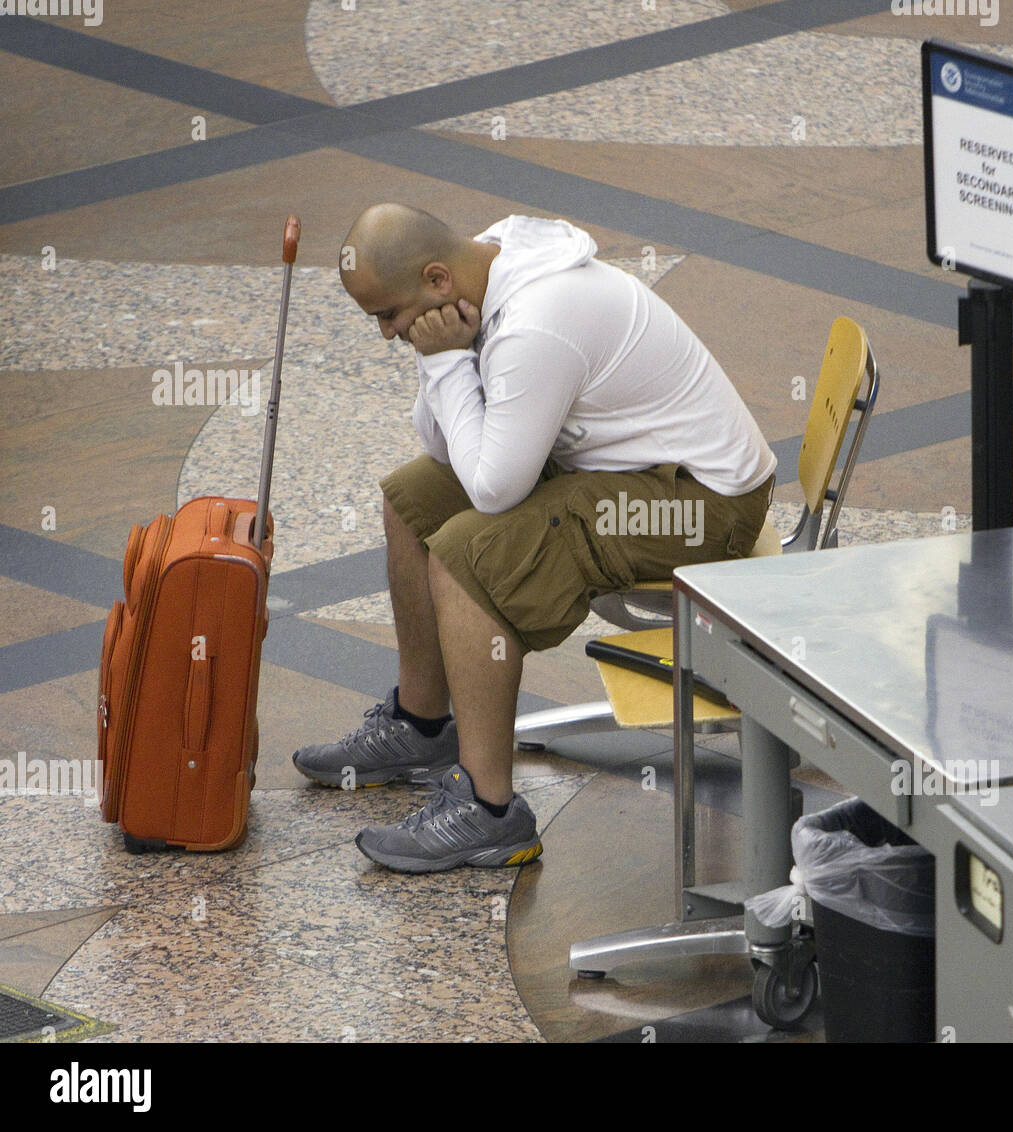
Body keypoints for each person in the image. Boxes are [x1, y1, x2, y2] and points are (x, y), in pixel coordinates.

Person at [293, 203, 776, 873]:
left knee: (471, 557)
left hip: (699, 507)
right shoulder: (482, 267)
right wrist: (442, 361)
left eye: (387, 315)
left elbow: (493, 491)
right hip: (627, 469)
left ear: (437, 280)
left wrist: (442, 363)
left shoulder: (535, 323)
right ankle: (422, 725)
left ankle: (487, 812)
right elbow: (438, 448)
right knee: (414, 502)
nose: (384, 334)